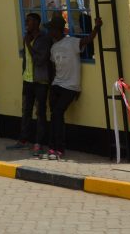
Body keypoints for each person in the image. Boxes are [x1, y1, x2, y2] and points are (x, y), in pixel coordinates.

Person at [47, 15, 102, 160]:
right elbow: (54, 69)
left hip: (70, 87)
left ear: (57, 30)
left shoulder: (72, 42)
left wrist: (96, 27)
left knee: (57, 113)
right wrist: (51, 87)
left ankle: (59, 148)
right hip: (56, 85)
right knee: (54, 115)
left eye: (51, 30)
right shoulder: (53, 48)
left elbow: (88, 39)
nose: (50, 33)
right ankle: (53, 146)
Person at [7, 12, 53, 155]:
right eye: (26, 21)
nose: (26, 23)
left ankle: (39, 143)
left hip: (40, 81)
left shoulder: (44, 39)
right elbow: (27, 60)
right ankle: (23, 140)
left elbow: (40, 60)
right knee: (26, 111)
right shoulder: (27, 37)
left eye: (29, 21)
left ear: (36, 24)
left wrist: (28, 45)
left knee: (40, 113)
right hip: (27, 80)